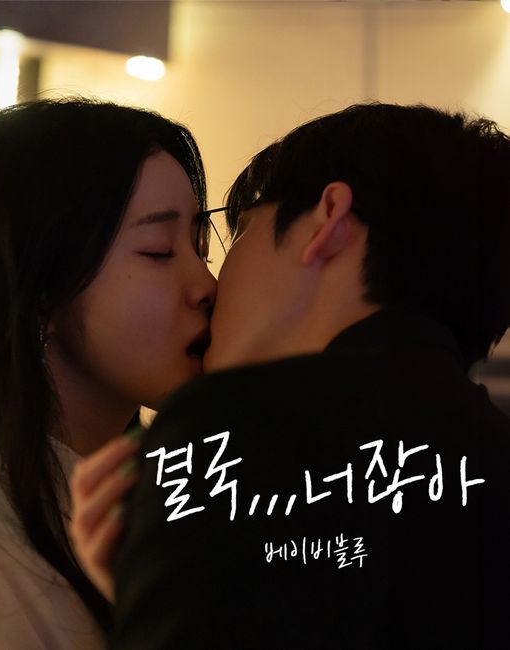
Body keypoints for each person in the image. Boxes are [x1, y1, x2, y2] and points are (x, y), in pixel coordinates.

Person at [72, 103, 510, 648]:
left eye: (240, 231)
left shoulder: (231, 428)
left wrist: (157, 586)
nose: (209, 286)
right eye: (163, 251)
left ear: (328, 221)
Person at [0, 97, 217, 648]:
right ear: (39, 291)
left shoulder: (183, 513)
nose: (206, 287)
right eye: (159, 251)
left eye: (200, 248)